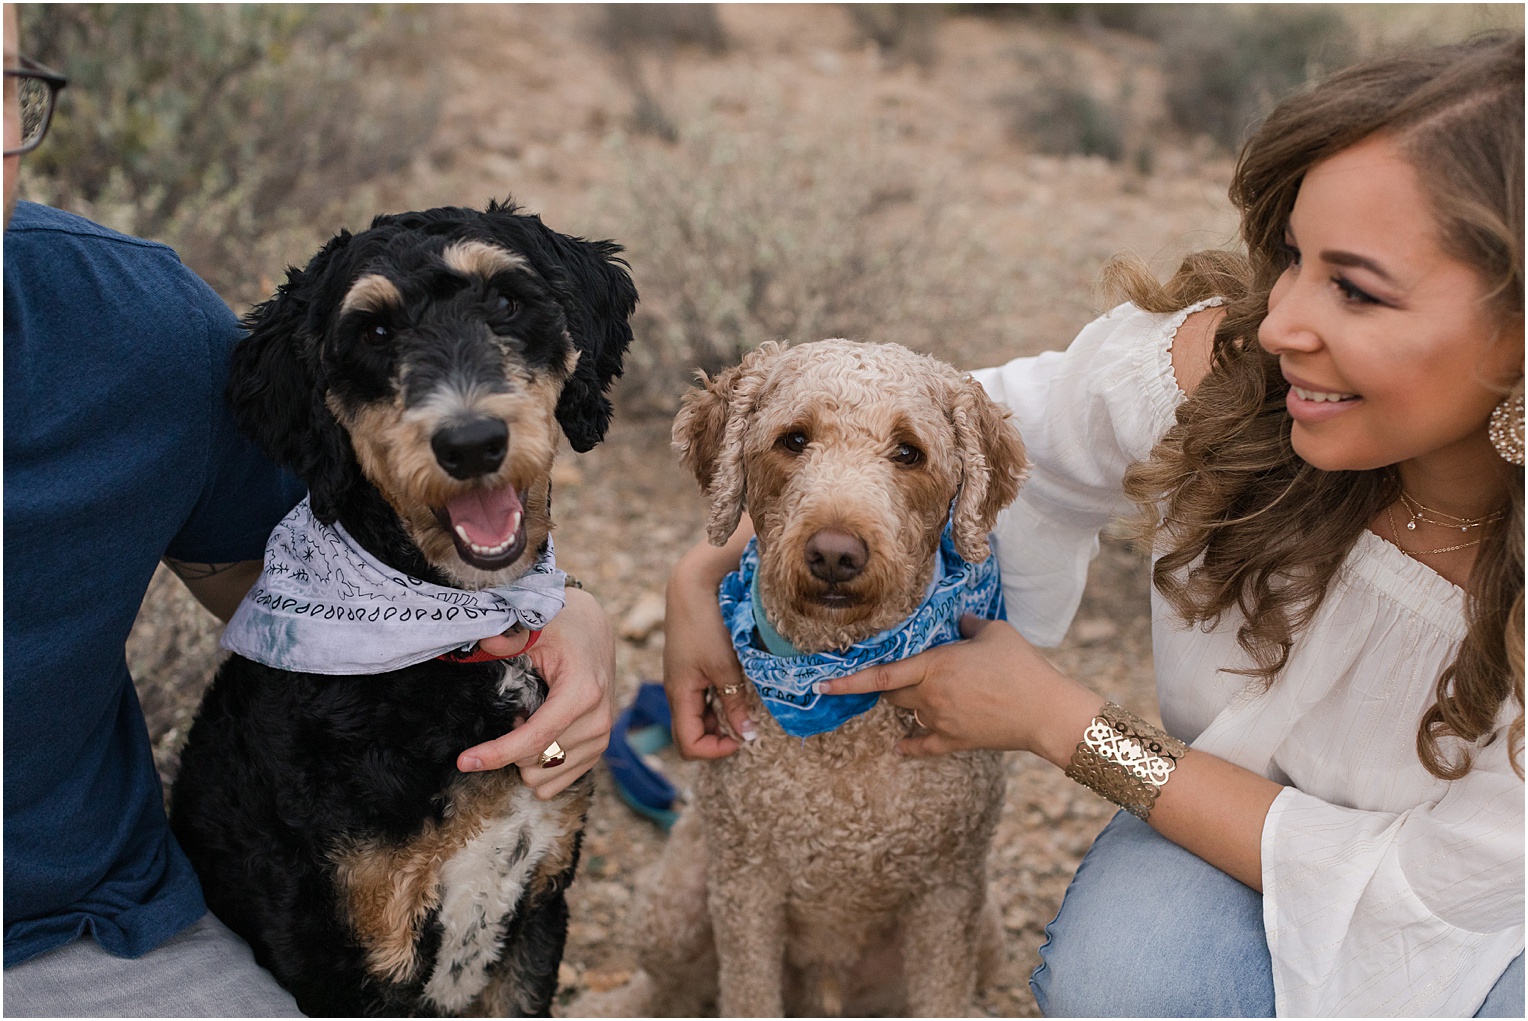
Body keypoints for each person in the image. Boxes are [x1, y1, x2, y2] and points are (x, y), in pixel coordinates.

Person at [664, 34, 1524, 1017]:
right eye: (1292, 257)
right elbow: (919, 444)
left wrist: (1059, 722)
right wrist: (707, 571)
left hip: (1491, 922)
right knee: (1128, 972)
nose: (1282, 322)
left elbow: (1420, 897)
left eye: (1357, 289)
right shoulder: (1238, 372)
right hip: (1233, 831)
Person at [2, 5, 615, 1014]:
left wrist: (562, 615)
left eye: (1, 84)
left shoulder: (135, 335)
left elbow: (312, 583)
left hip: (79, 935)